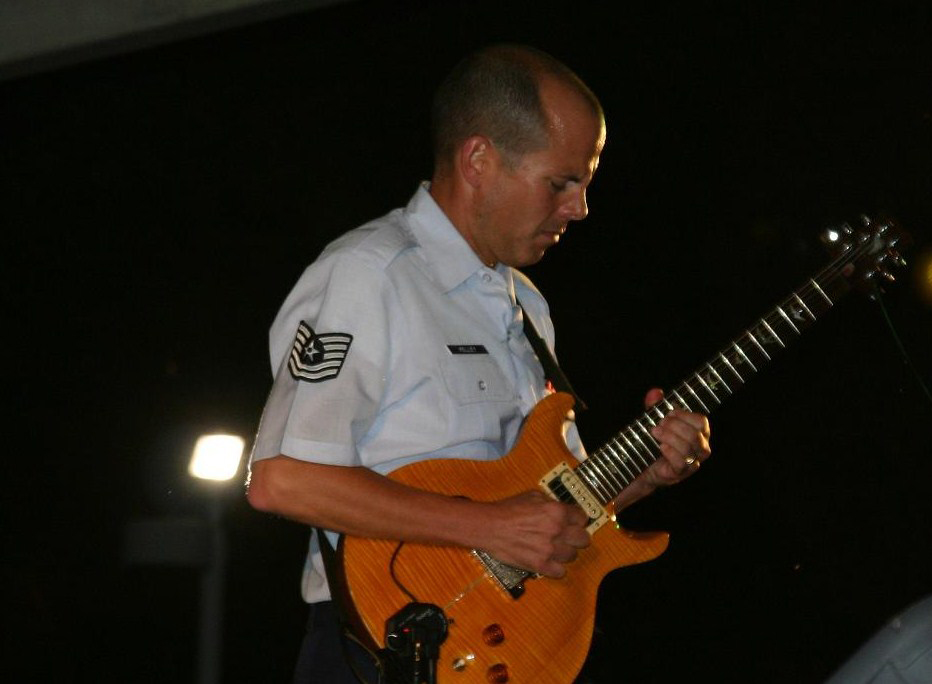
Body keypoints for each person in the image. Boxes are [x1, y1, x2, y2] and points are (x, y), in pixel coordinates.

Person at [246, 44, 711, 683]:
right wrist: (489, 525)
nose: (579, 208)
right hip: (383, 654)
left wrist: (646, 476)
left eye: (585, 184)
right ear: (478, 160)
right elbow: (283, 479)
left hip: (498, 655)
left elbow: (550, 514)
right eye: (562, 182)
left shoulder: (528, 307)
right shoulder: (368, 273)